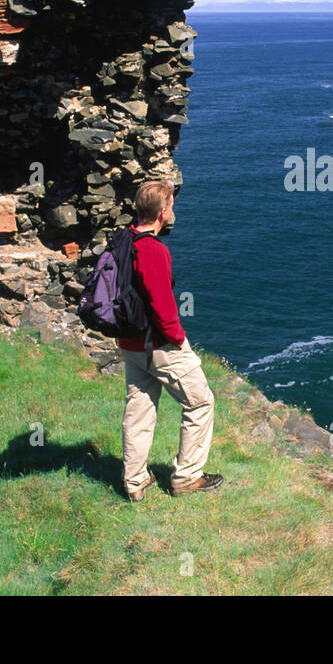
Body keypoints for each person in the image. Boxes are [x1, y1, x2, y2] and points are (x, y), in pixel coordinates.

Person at [116, 179, 222, 502]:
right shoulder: (153, 251)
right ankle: (187, 477)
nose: (173, 211)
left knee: (140, 410)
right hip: (158, 345)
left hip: (130, 343)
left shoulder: (123, 240)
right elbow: (163, 306)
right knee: (200, 402)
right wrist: (178, 339)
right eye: (171, 206)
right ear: (162, 213)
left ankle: (134, 482)